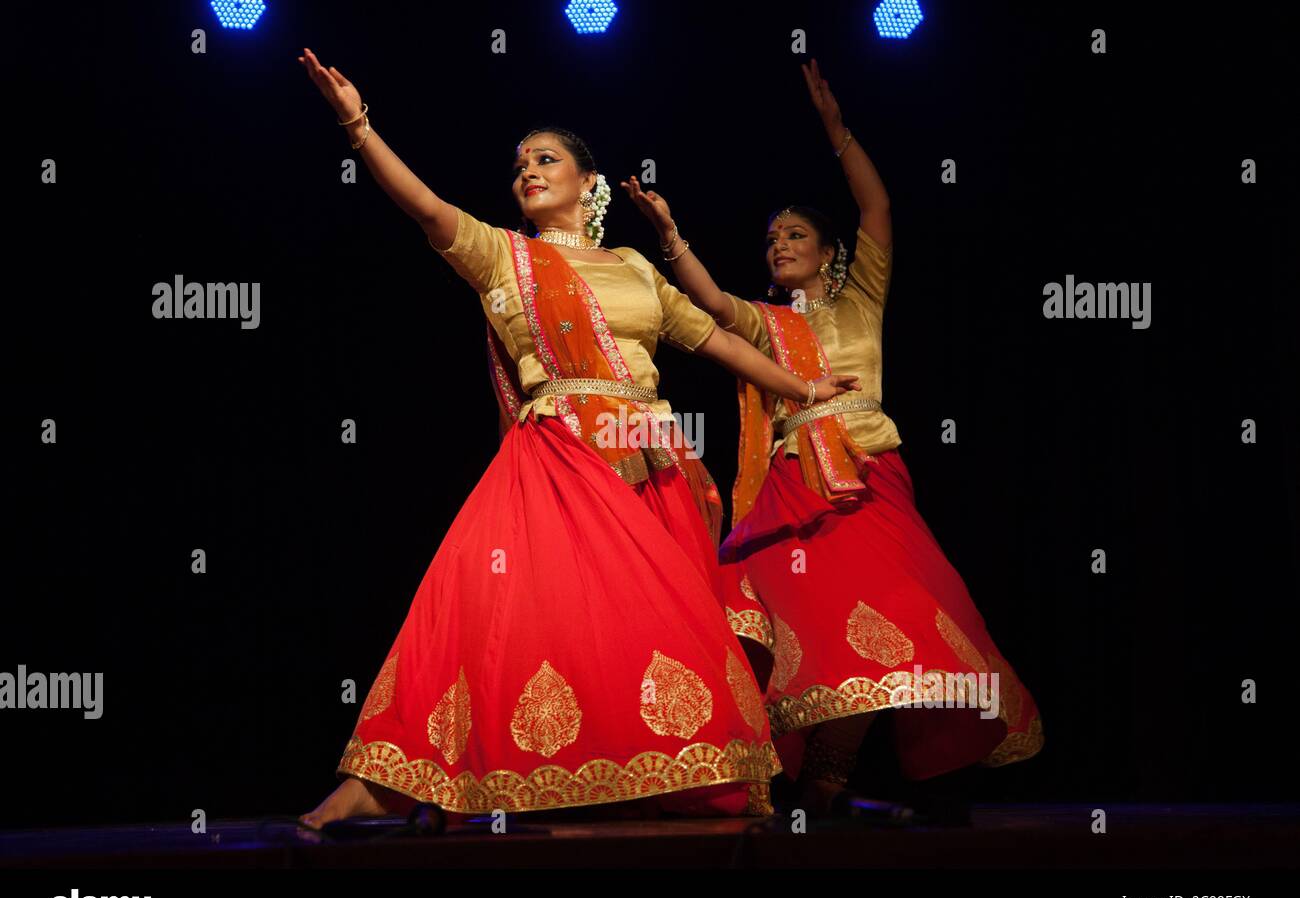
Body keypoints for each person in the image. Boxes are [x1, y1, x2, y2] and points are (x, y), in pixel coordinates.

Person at [292, 49, 860, 827]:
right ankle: (398, 779)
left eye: (546, 158)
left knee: (640, 632)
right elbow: (425, 207)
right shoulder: (503, 255)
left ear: (589, 184)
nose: (527, 169)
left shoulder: (631, 264)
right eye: (519, 162)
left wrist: (803, 389)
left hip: (650, 463)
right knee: (487, 606)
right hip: (555, 454)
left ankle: (648, 781)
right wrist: (357, 123)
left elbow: (713, 339)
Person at [623, 59, 1044, 817]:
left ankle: (853, 782)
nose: (780, 244)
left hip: (872, 476)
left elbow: (877, 204)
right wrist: (671, 235)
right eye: (772, 237)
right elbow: (712, 302)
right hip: (795, 490)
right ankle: (812, 784)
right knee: (817, 628)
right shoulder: (766, 322)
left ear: (827, 251)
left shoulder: (861, 301)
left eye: (796, 234)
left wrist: (837, 130)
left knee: (910, 613)